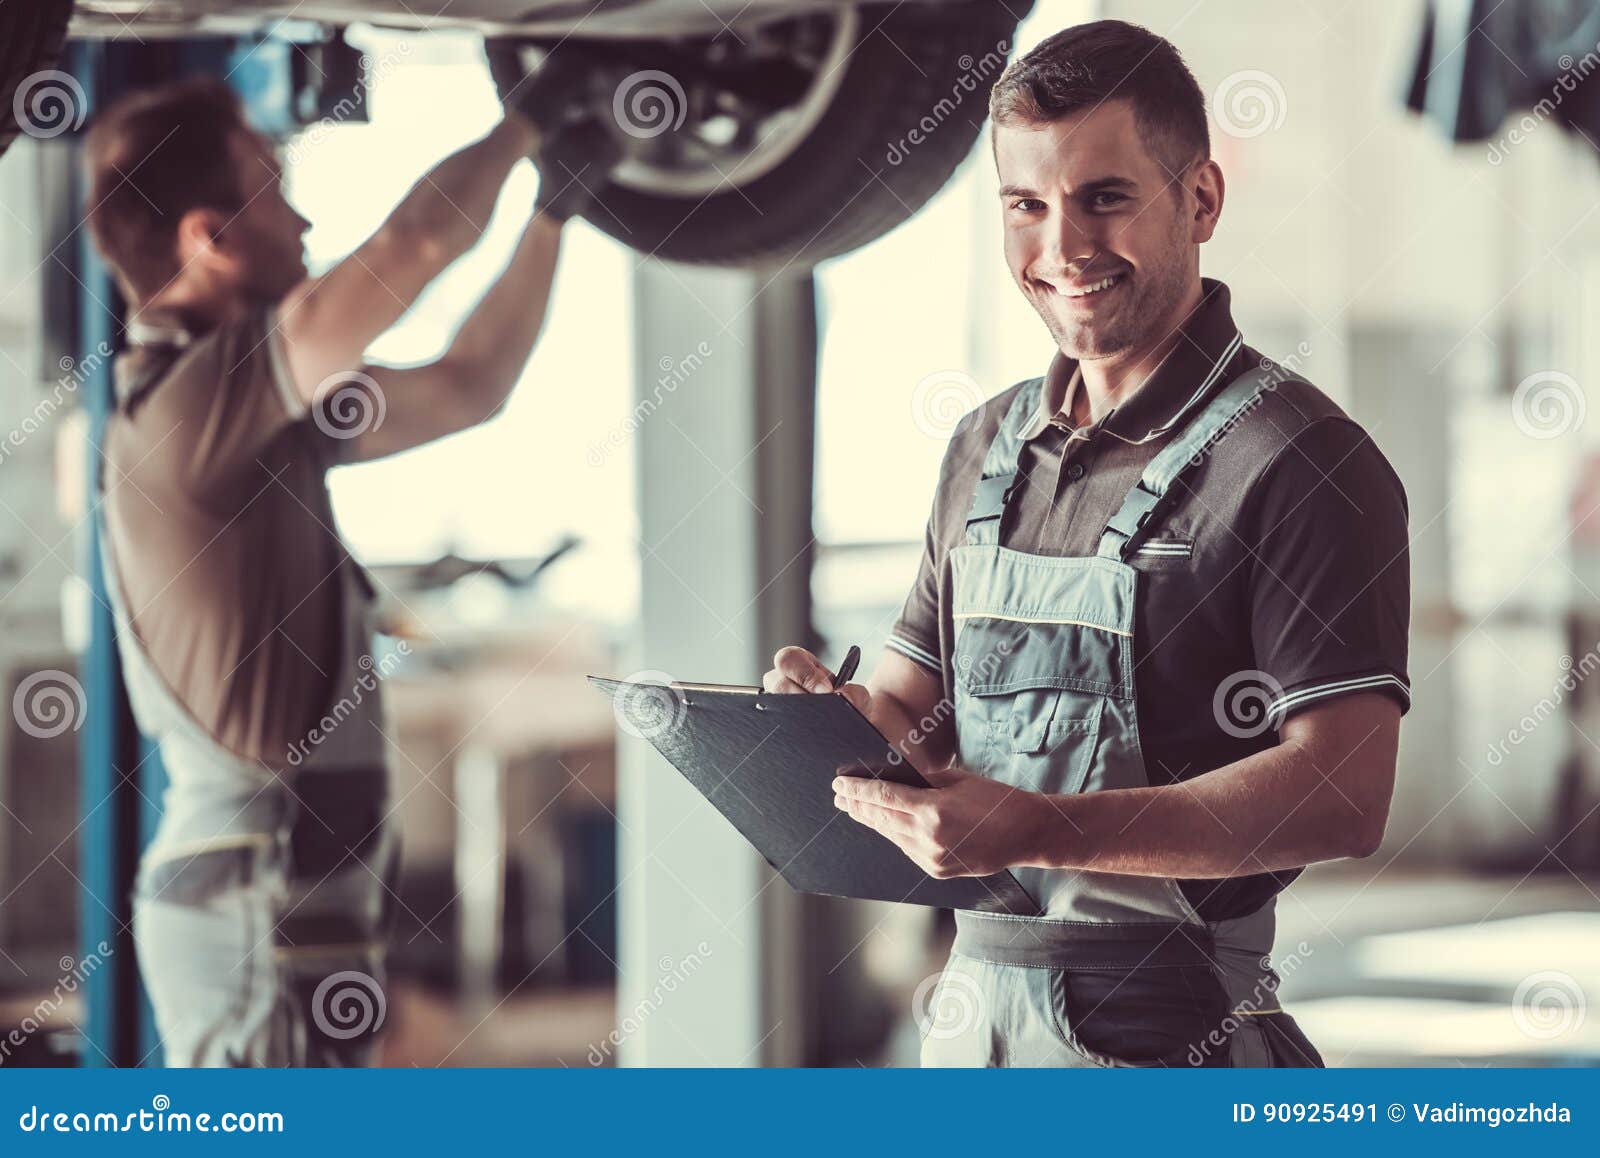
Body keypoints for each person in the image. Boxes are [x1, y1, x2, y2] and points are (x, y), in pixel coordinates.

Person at [763, 20, 1410, 1068]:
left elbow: (1342, 794)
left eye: (1103, 198)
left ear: (1199, 198)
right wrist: (826, 731)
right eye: (1025, 206)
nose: (1060, 251)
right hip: (969, 1015)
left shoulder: (1301, 459)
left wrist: (1041, 829)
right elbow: (912, 722)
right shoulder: (983, 445)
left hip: (1167, 1029)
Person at [82, 57, 617, 1066]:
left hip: (300, 892)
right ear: (211, 239)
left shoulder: (263, 419)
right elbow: (412, 246)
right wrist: (523, 126)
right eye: (273, 190)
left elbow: (469, 384)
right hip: (250, 903)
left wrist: (557, 209)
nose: (305, 224)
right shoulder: (187, 411)